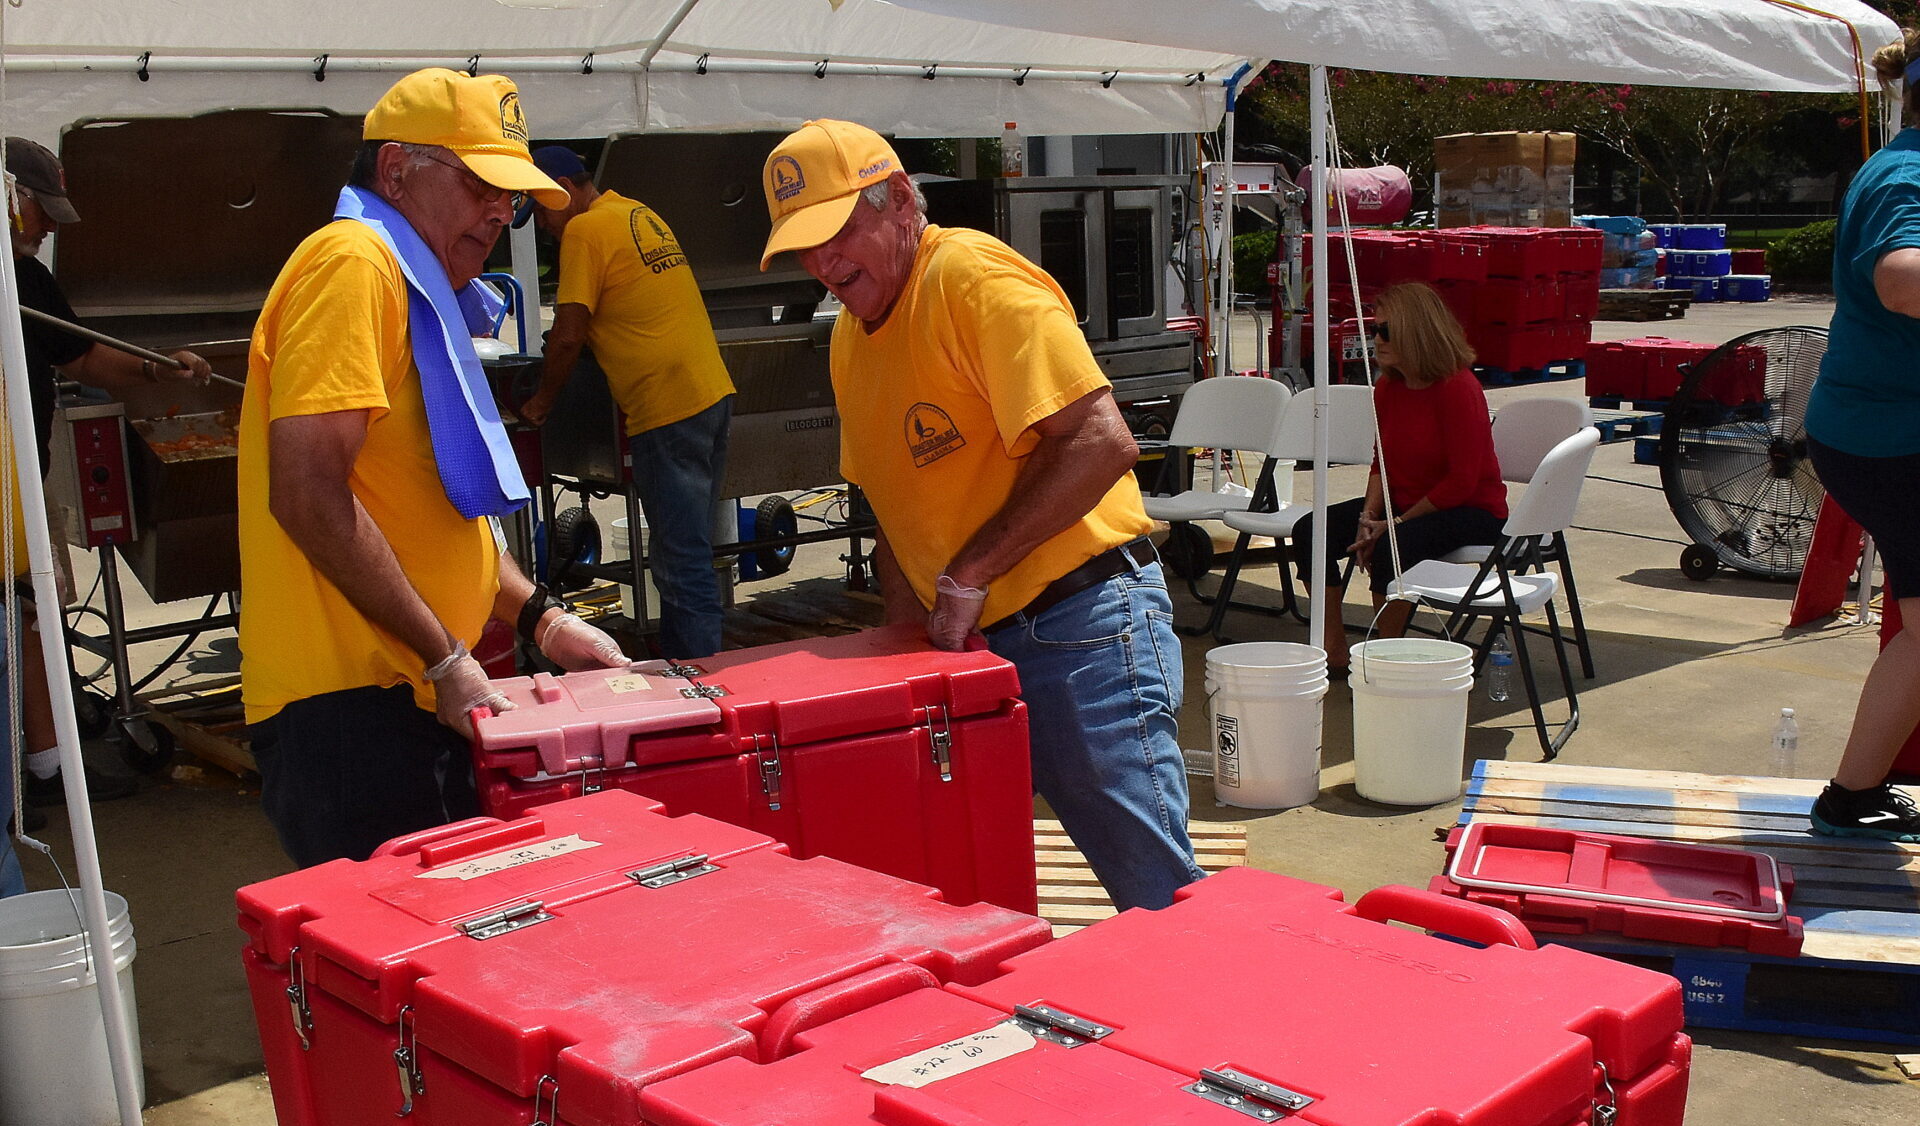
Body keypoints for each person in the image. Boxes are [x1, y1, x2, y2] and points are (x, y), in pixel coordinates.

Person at [758, 120, 1203, 912]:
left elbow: (1102, 441)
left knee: (1153, 889)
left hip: (1081, 627)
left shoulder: (968, 278)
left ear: (900, 200)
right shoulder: (850, 339)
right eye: (803, 247)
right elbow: (889, 508)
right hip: (976, 646)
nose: (824, 264)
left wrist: (966, 575)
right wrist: (906, 648)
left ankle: (1216, 1027)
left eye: (837, 233)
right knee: (961, 874)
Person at [237, 69, 628, 867]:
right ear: (395, 170)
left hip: (402, 694)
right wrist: (445, 658)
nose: (499, 210)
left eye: (511, 196)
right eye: (481, 181)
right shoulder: (355, 264)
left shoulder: (412, 283)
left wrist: (543, 622)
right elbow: (308, 492)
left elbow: (437, 512)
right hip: (354, 706)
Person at [8, 135, 213, 806]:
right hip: (7, 492)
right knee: (25, 619)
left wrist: (157, 368)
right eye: (39, 212)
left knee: (29, 616)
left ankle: (43, 762)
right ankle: (43, 769)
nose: (43, 230)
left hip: (20, 484)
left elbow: (86, 359)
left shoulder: (27, 279)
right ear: (11, 200)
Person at [517, 146, 737, 658]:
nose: (545, 226)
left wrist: (542, 401)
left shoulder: (584, 231)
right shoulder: (637, 212)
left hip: (667, 408)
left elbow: (569, 334)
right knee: (693, 554)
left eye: (543, 209)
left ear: (565, 189)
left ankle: (698, 685)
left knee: (680, 564)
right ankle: (707, 670)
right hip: (710, 394)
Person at [1802, 30, 1920, 842]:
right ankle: (1848, 796)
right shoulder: (1906, 173)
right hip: (1889, 439)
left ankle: (1853, 794)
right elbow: (1900, 276)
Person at [1290, 282, 1506, 672]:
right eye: (1374, 329)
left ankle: (1384, 655)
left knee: (1393, 544)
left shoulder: (1458, 388)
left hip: (1471, 510)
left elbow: (1463, 480)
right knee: (1311, 530)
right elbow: (1381, 462)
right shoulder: (1388, 388)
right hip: (1404, 504)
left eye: (1385, 330)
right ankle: (1333, 646)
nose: (1376, 339)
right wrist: (1368, 519)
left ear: (1415, 331)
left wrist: (1395, 523)